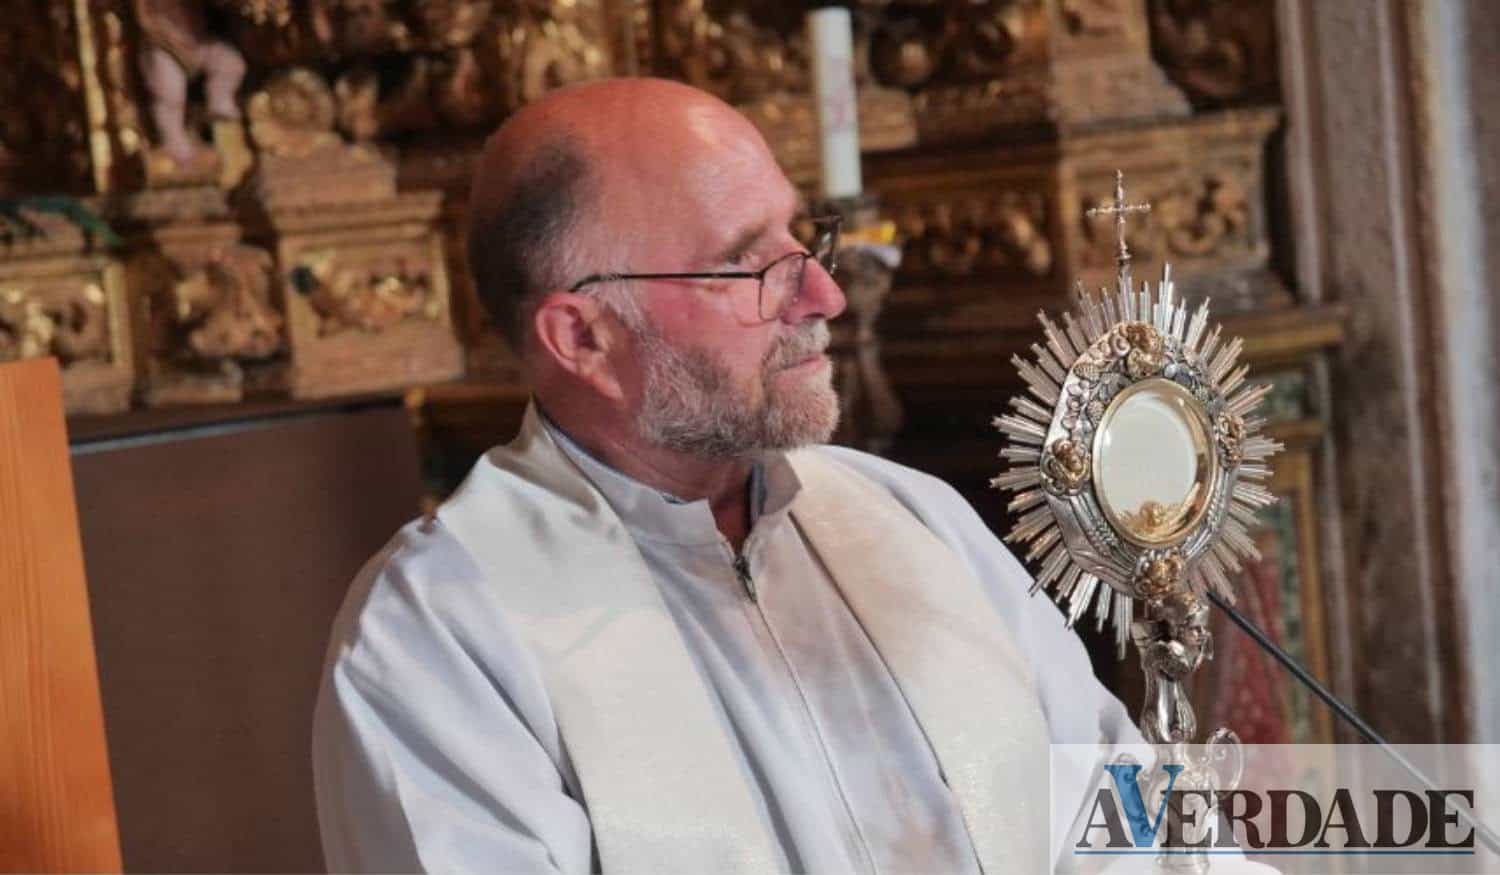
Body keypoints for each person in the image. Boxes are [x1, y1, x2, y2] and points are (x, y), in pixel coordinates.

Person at [312, 77, 1146, 873]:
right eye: (749, 267)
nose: (823, 294)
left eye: (803, 239)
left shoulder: (912, 517)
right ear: (584, 339)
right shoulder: (441, 635)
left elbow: (1132, 817)